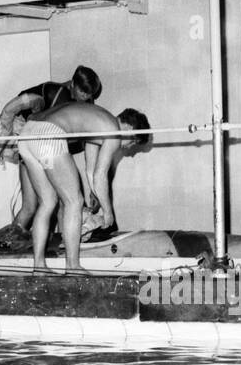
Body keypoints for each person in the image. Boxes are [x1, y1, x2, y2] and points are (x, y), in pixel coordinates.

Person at [15, 103, 151, 273]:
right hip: (47, 134)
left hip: (27, 134)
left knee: (48, 202)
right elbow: (100, 176)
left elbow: (91, 172)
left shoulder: (99, 124)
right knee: (74, 202)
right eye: (133, 143)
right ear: (130, 129)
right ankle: (73, 267)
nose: (129, 148)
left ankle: (39, 267)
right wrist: (108, 212)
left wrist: (97, 195)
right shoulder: (114, 132)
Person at [0, 65, 102, 245]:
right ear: (72, 84)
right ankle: (2, 245)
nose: (86, 98)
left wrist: (94, 189)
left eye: (89, 95)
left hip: (42, 150)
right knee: (42, 204)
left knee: (44, 205)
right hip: (32, 146)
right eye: (83, 93)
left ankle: (63, 242)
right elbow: (12, 109)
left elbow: (90, 148)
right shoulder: (54, 93)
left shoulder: (86, 104)